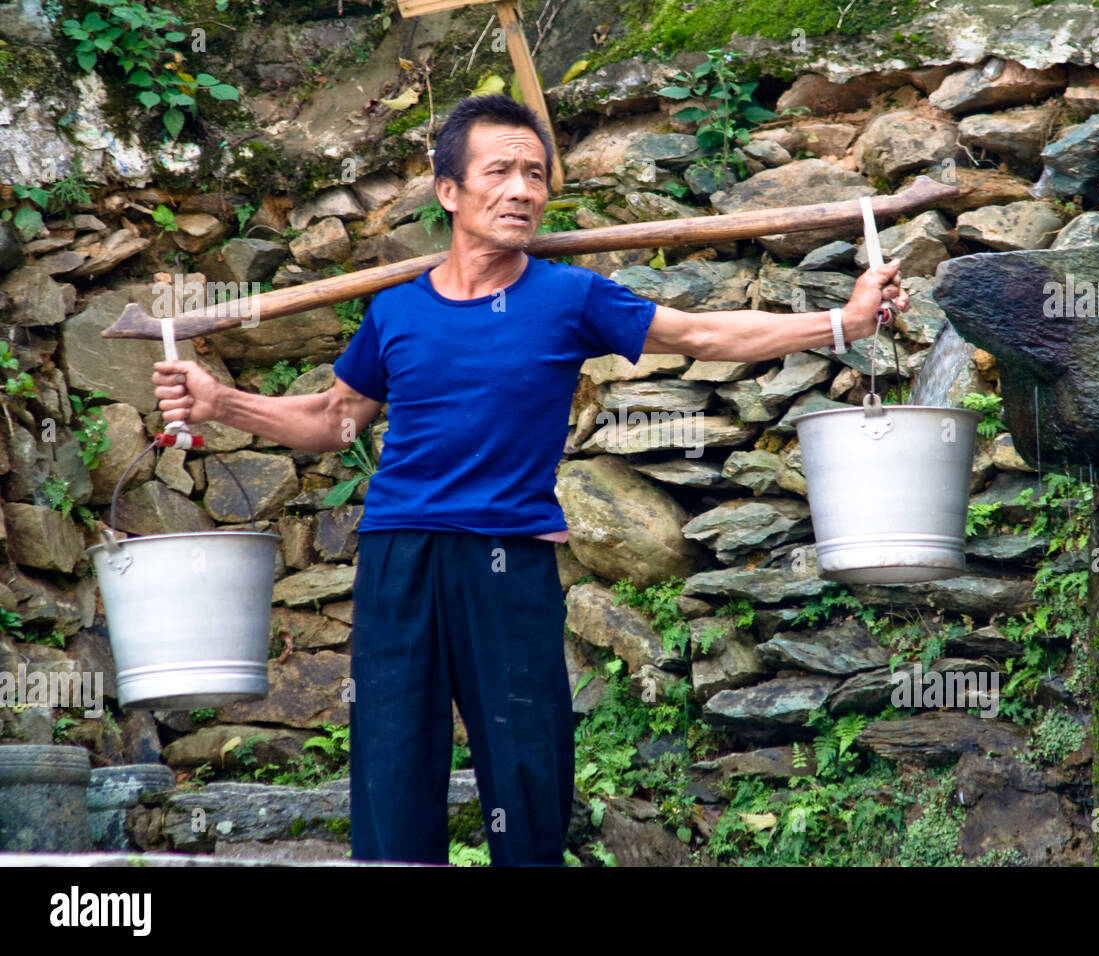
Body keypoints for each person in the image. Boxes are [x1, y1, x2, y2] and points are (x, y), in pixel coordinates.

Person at [152, 93, 909, 866]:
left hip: (506, 558)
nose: (522, 189)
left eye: (536, 175)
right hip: (399, 554)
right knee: (391, 759)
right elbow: (330, 420)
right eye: (501, 171)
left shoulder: (568, 297)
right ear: (449, 192)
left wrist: (842, 322)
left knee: (526, 762)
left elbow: (705, 332)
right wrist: (221, 401)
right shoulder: (395, 313)